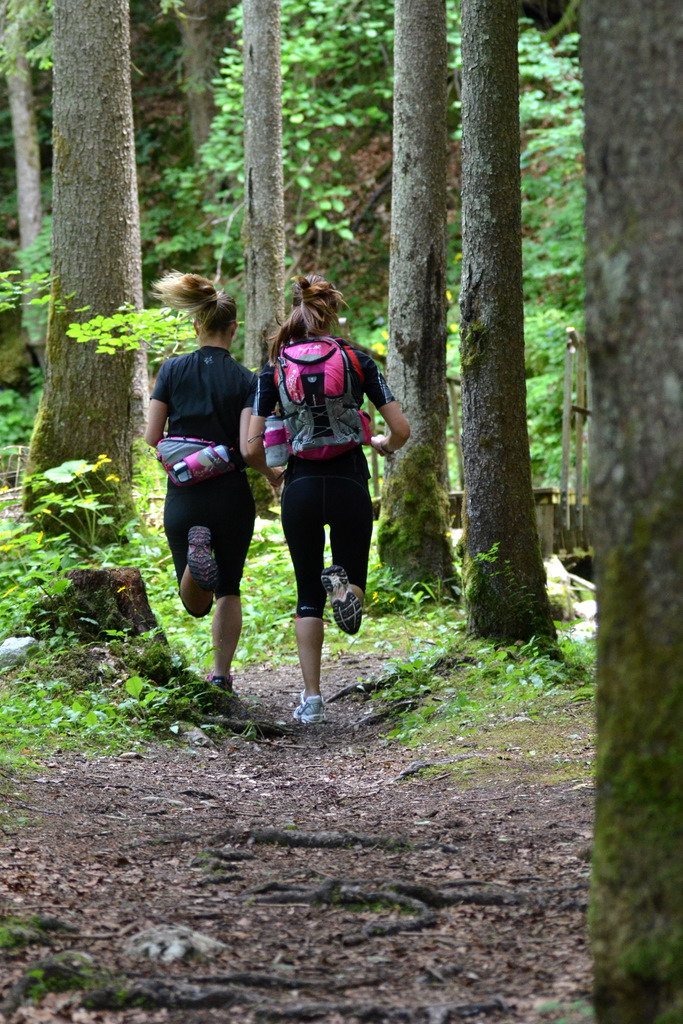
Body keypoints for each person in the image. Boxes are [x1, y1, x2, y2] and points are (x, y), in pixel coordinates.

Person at [246, 274, 410, 724]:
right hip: (349, 481)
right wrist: (383, 445)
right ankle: (343, 589)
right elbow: (401, 429)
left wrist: (273, 475)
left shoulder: (273, 369)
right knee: (353, 578)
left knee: (306, 594)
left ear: (294, 315)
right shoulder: (357, 360)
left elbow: (251, 446)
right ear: (331, 313)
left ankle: (313, 698)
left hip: (300, 486)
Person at [144, 272, 279, 693]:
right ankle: (221, 675)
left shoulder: (171, 369)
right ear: (234, 329)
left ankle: (195, 553)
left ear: (195, 325)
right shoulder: (247, 380)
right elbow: (249, 448)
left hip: (184, 494)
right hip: (230, 497)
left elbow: (151, 436)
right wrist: (274, 476)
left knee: (194, 604)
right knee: (229, 589)